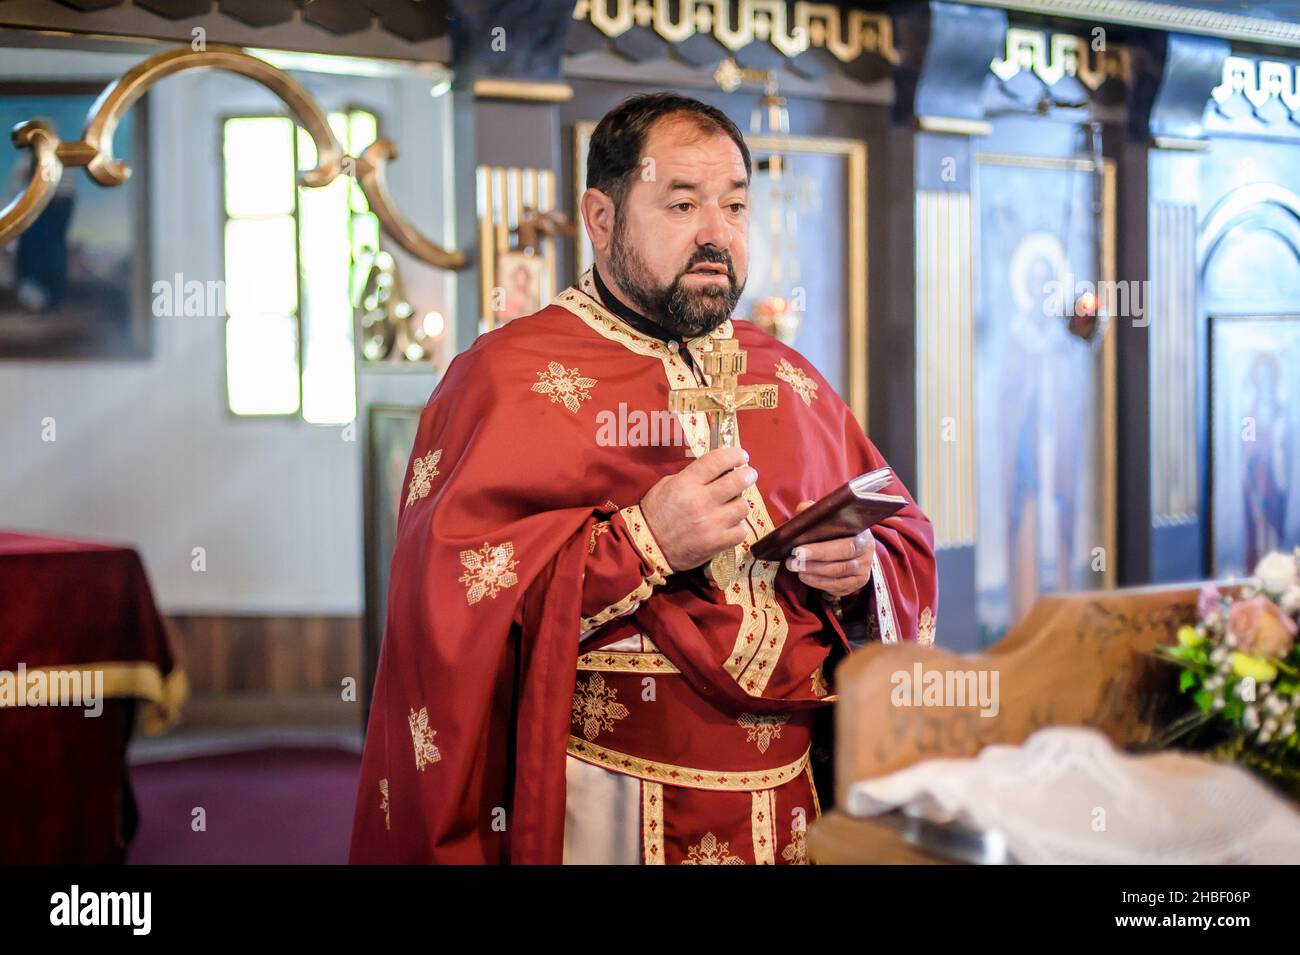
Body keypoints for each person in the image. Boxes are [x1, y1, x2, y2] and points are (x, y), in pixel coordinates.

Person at [350, 92, 936, 864]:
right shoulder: (503, 380)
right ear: (602, 218)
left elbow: (900, 532)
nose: (715, 233)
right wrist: (643, 542)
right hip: (611, 804)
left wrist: (857, 572)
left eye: (734, 205)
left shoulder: (788, 377)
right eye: (682, 203)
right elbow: (448, 610)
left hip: (792, 809)